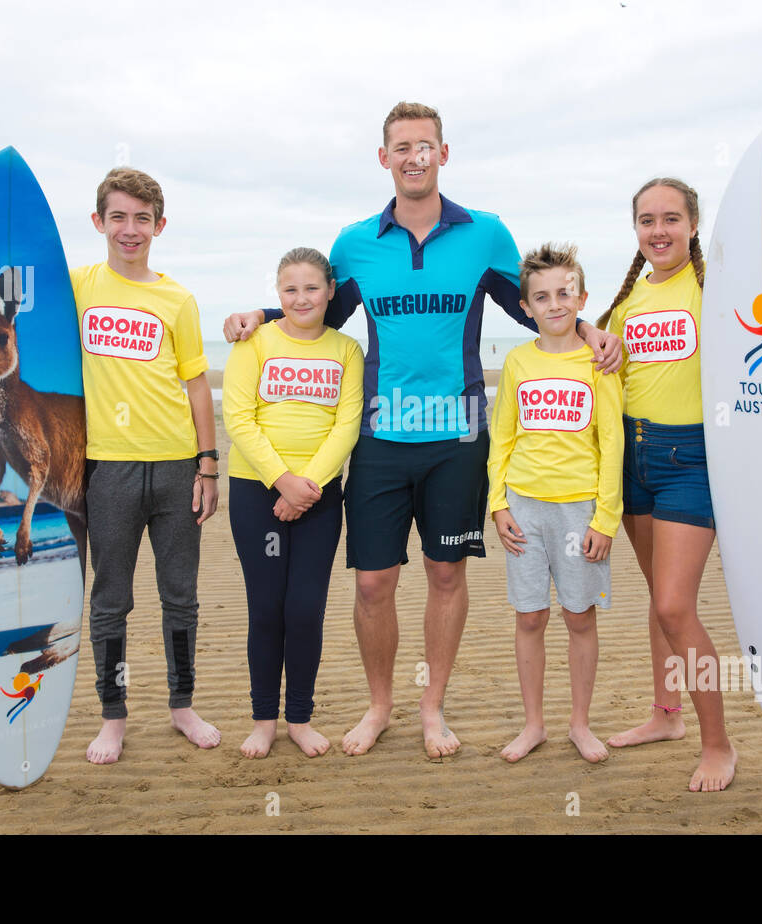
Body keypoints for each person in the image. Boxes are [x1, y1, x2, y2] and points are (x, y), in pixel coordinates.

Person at [222, 102, 624, 759]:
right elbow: (322, 309)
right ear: (384, 159)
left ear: (443, 153)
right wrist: (260, 313)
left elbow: (533, 310)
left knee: (444, 574)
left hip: (458, 440)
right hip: (381, 438)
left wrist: (589, 330)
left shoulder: (485, 234)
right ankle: (380, 707)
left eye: (425, 146)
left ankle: (431, 708)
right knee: (374, 583)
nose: (414, 157)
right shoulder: (355, 243)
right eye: (401, 147)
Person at [0, 167, 222, 765]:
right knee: (109, 599)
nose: (129, 229)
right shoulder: (73, 288)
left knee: (179, 594)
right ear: (98, 223)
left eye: (141, 219)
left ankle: (182, 705)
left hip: (176, 466)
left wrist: (208, 465)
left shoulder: (178, 299)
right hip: (104, 468)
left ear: (159, 226)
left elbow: (196, 386)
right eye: (118, 217)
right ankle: (114, 716)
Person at [599, 126, 762, 793]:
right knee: (661, 606)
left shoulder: (717, 286)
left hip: (692, 458)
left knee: (673, 605)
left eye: (671, 218)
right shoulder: (628, 300)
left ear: (694, 226)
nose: (657, 230)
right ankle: (668, 717)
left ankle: (718, 742)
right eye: (646, 220)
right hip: (634, 457)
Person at [223, 247, 364, 759]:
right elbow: (239, 419)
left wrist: (307, 487)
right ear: (277, 295)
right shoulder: (254, 341)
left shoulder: (347, 350)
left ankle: (299, 718)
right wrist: (281, 481)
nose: (301, 298)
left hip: (320, 496)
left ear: (331, 291)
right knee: (267, 609)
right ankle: (263, 720)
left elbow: (347, 425)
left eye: (311, 288)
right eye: (290, 289)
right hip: (255, 490)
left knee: (305, 610)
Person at [488, 244, 623, 764]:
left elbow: (611, 443)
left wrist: (605, 519)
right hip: (524, 508)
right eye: (541, 297)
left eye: (565, 294)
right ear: (526, 307)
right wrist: (498, 505)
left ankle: (581, 725)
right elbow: (502, 438)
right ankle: (533, 725)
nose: (555, 304)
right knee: (529, 618)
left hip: (580, 511)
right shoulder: (520, 361)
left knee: (579, 616)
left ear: (582, 297)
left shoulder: (599, 361)